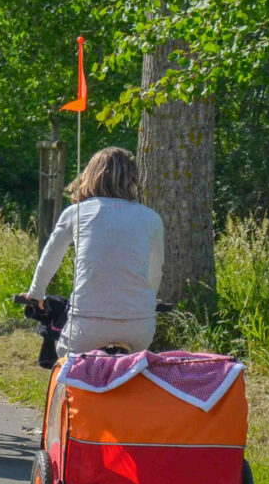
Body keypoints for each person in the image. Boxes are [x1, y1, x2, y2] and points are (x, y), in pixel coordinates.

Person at [20, 147, 163, 357]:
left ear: (90, 176)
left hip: (86, 327)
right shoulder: (151, 218)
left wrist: (36, 293)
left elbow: (50, 258)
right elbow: (155, 270)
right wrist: (150, 299)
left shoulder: (75, 213)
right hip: (139, 328)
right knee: (132, 367)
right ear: (132, 179)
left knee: (66, 362)